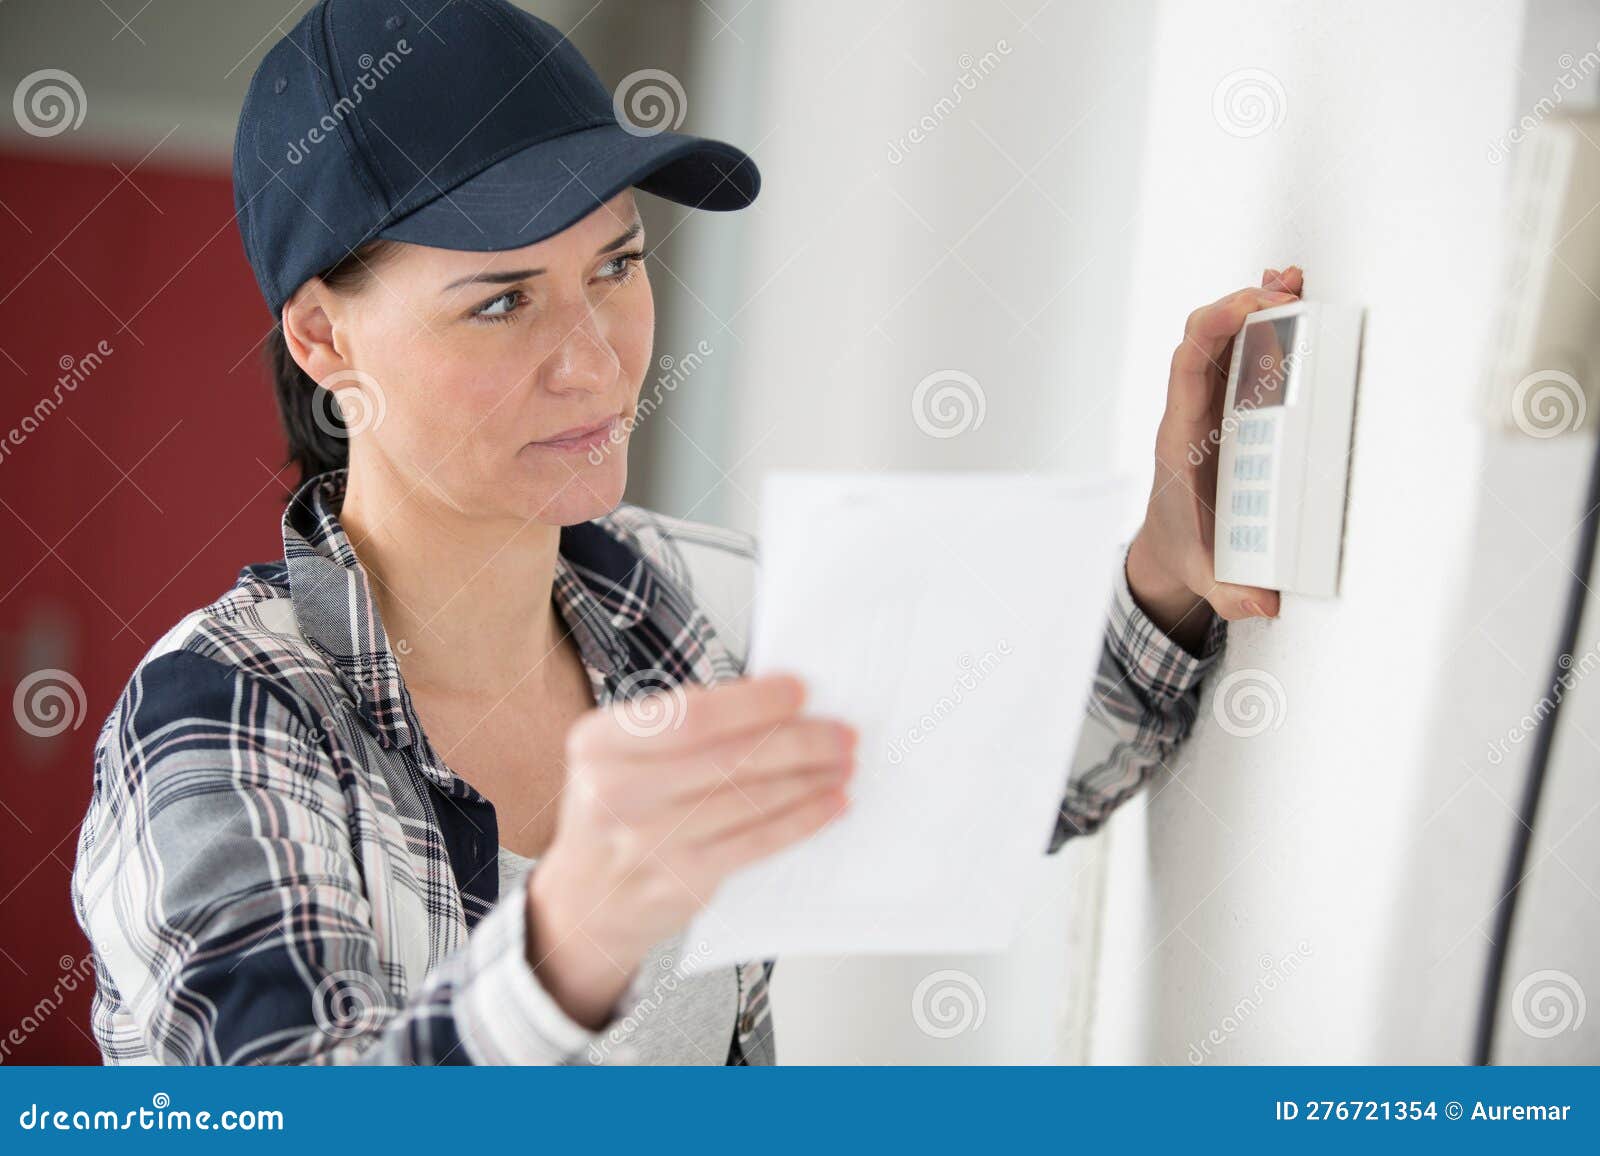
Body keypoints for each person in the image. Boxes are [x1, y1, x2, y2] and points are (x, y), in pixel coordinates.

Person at [70, 0, 1293, 1065]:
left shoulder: (688, 597)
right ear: (326, 342)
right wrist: (566, 948)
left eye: (616, 264)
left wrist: (1167, 572)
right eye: (499, 302)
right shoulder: (224, 713)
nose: (597, 361)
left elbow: (989, 787)